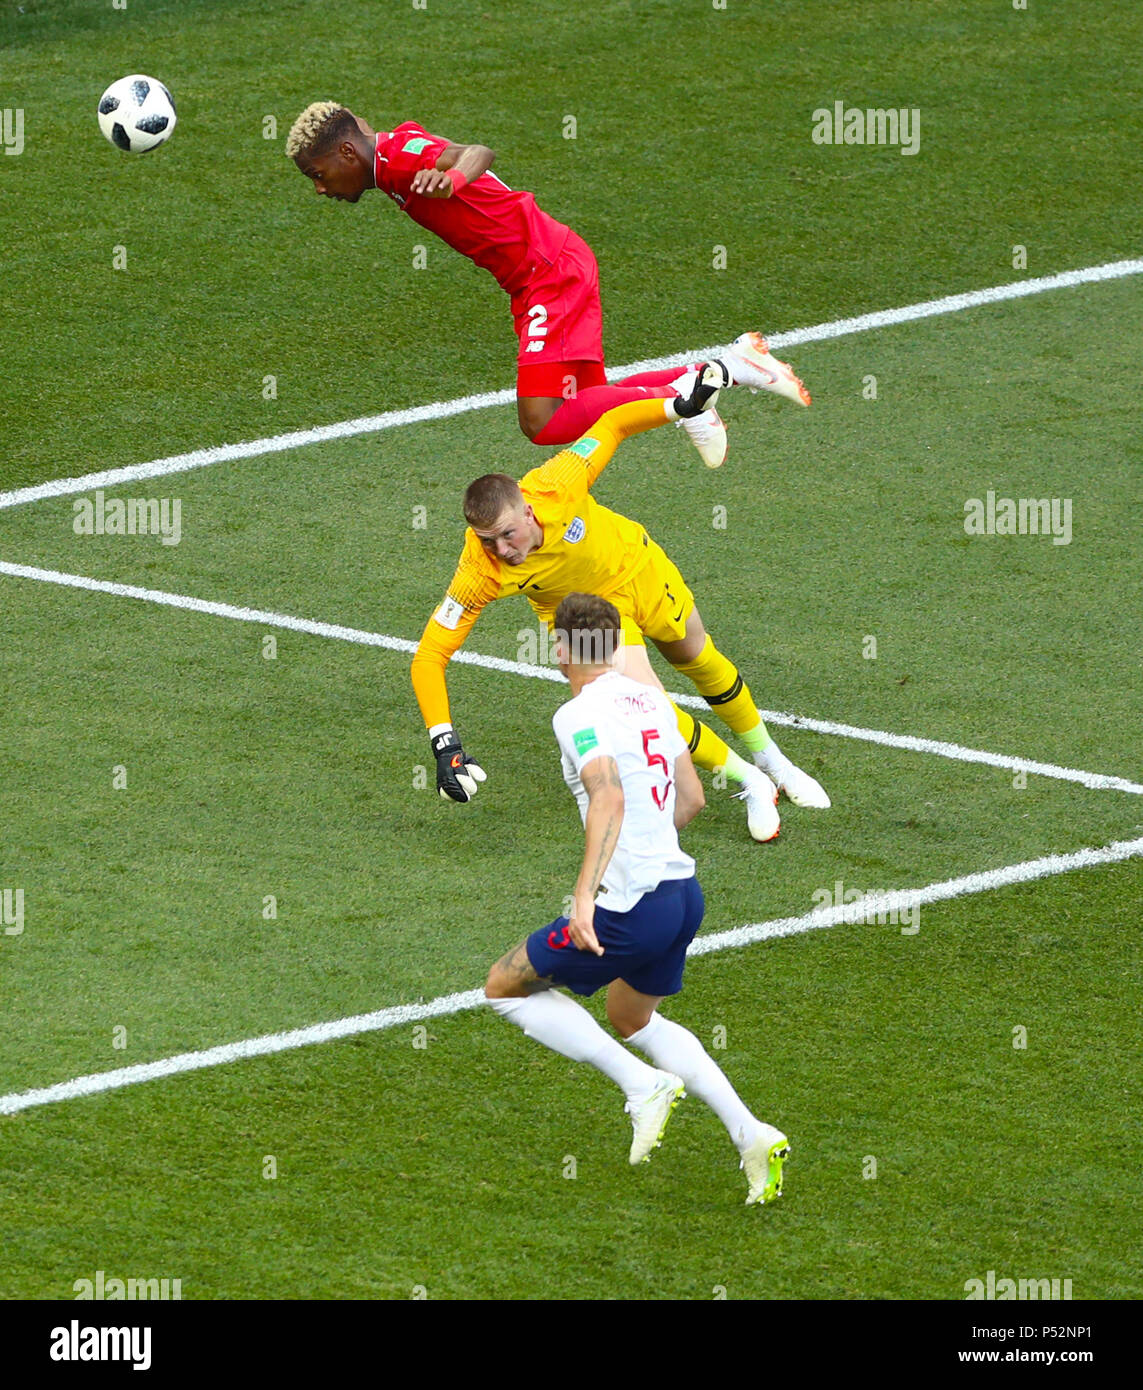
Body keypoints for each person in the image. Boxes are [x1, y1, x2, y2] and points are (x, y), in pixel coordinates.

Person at [411, 366, 830, 842]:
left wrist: (678, 408)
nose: (502, 550)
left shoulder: (557, 484)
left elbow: (611, 425)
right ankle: (749, 780)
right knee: (645, 704)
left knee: (698, 658)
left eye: (508, 534)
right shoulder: (478, 571)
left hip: (638, 567)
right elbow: (430, 656)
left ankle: (773, 760)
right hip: (585, 616)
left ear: (527, 511)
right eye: (488, 540)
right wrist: (445, 744)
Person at [285, 102, 810, 465]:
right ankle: (723, 371)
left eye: (317, 173)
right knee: (585, 405)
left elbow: (478, 152)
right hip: (541, 272)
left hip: (547, 272)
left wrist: (452, 179)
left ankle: (699, 390)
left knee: (540, 420)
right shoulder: (388, 153)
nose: (319, 188)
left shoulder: (398, 157)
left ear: (347, 154)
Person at [484, 592, 790, 1204]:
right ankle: (750, 1132)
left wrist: (584, 896)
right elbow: (694, 799)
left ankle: (642, 1086)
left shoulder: (575, 714)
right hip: (682, 895)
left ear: (562, 648)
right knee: (631, 1017)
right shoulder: (650, 698)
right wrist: (649, 848)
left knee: (503, 988)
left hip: (631, 908)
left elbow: (609, 797)